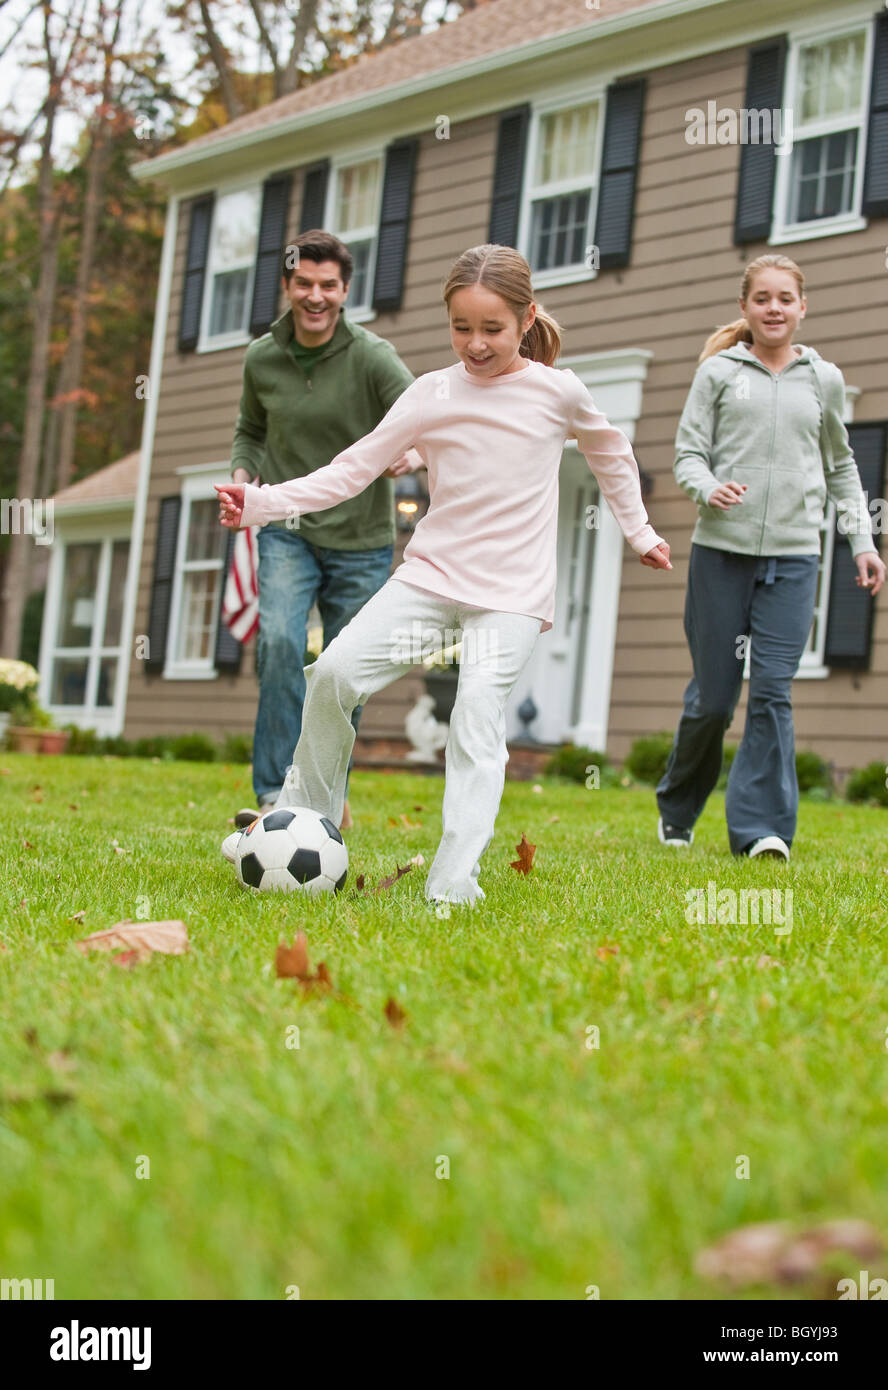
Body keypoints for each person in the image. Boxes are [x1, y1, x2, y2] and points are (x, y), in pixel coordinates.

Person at [216, 243, 672, 905]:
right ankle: (296, 817)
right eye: (462, 327)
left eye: (492, 329)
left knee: (476, 715)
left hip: (510, 597)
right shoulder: (431, 392)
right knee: (336, 673)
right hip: (430, 582)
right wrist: (260, 504)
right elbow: (353, 468)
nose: (476, 344)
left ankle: (454, 880)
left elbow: (612, 453)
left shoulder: (557, 392)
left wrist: (641, 531)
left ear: (526, 319)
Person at [656, 254, 885, 861]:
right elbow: (687, 456)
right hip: (720, 556)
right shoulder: (718, 374)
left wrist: (861, 540)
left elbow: (840, 465)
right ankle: (677, 807)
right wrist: (707, 488)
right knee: (712, 699)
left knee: (773, 694)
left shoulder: (823, 379)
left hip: (793, 558)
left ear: (802, 307)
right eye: (763, 298)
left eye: (786, 298)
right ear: (745, 307)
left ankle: (761, 830)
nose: (774, 308)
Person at [229, 229, 422, 831]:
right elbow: (250, 432)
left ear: (344, 290)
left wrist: (410, 456)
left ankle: (325, 795)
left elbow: (423, 418)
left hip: (362, 539)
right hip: (288, 527)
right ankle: (272, 796)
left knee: (343, 670)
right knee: (281, 644)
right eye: (304, 284)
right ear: (287, 286)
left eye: (329, 286)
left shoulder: (372, 357)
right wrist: (243, 480)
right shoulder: (262, 358)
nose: (316, 296)